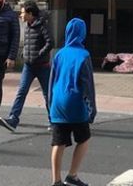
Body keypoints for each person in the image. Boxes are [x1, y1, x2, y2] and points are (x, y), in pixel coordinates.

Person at [48, 17, 96, 186]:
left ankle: (56, 180)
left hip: (57, 102)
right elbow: (87, 84)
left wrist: (50, 106)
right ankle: (73, 174)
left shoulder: (58, 54)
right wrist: (92, 109)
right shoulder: (84, 55)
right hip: (75, 102)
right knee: (83, 138)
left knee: (58, 142)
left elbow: (51, 81)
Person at [0, 0, 54, 132]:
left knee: (48, 94)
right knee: (21, 92)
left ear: (30, 13)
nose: (20, 15)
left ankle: (54, 120)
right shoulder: (28, 25)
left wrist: (39, 54)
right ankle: (13, 119)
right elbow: (30, 42)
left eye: (22, 13)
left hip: (42, 65)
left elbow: (50, 42)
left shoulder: (42, 25)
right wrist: (24, 52)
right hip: (29, 66)